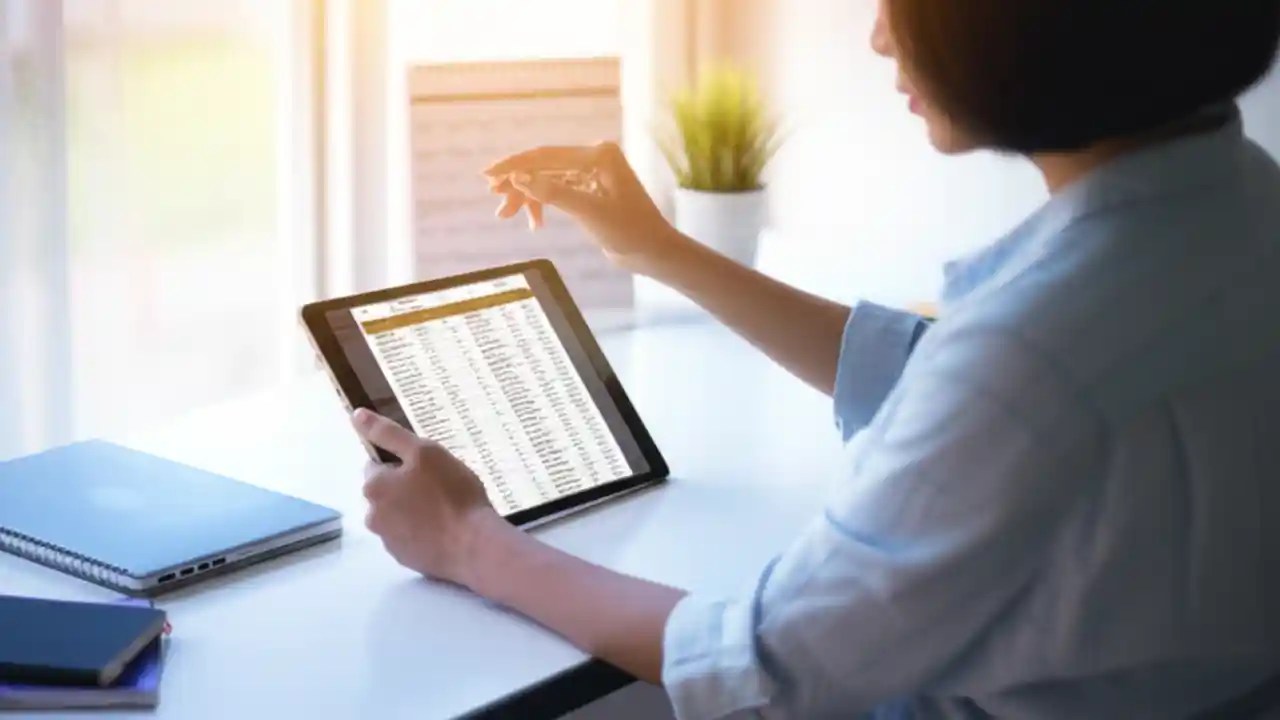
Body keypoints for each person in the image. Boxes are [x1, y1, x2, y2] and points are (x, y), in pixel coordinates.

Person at [352, 0, 1280, 717]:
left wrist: (471, 541)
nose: (879, 39)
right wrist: (662, 251)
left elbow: (768, 667)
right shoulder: (1239, 199)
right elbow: (962, 386)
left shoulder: (1032, 353)